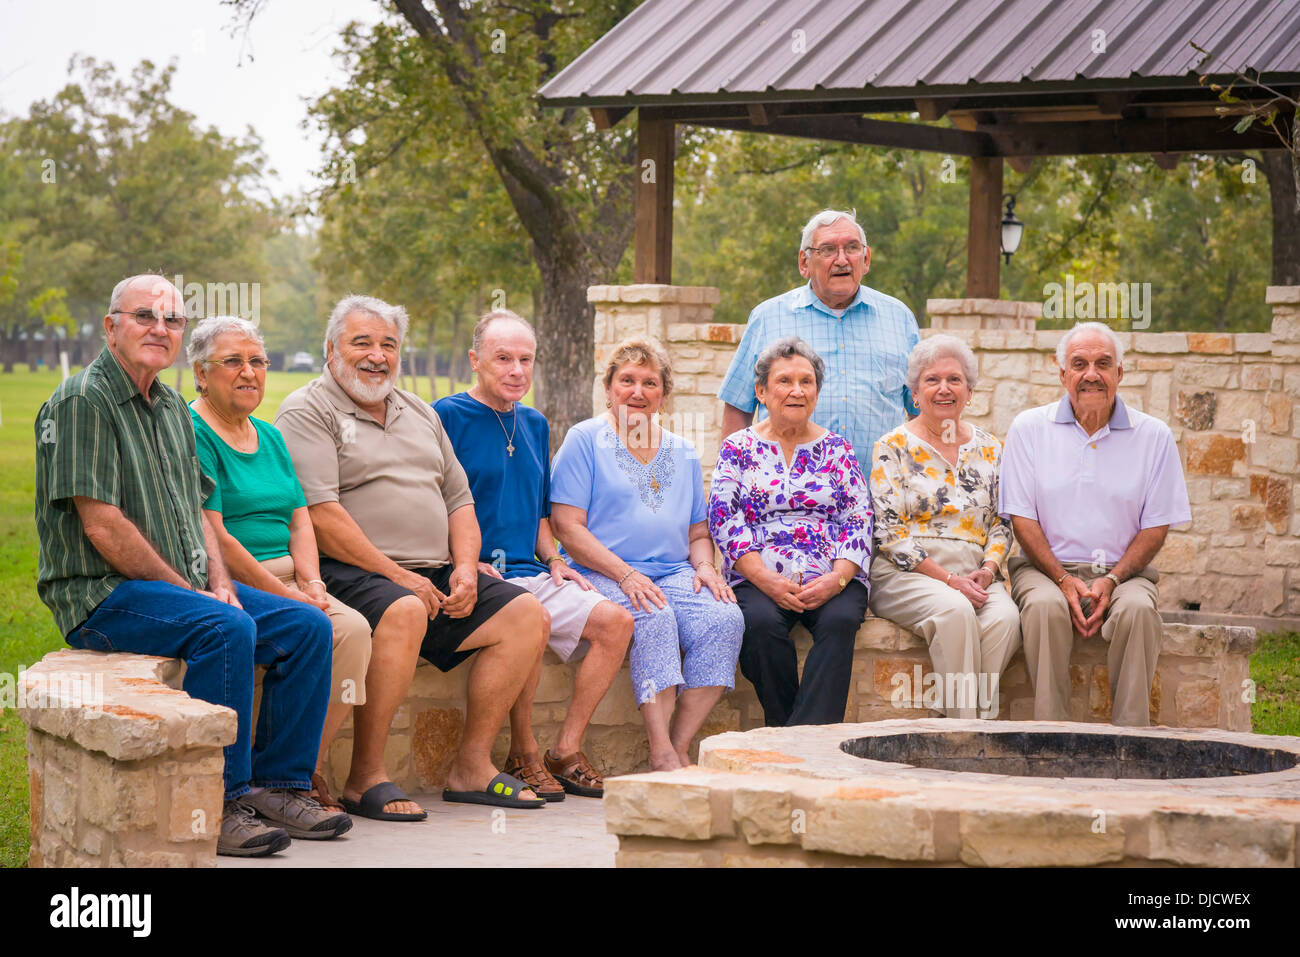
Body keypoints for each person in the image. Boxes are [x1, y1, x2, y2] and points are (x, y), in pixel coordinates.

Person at [34, 275, 346, 858]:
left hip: (181, 587)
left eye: (172, 320)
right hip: (102, 593)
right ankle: (223, 802)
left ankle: (280, 787)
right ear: (111, 327)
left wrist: (219, 582)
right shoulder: (82, 401)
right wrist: (197, 594)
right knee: (224, 626)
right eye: (144, 316)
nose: (159, 329)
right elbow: (102, 524)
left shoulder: (172, 405)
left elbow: (204, 507)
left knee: (307, 627)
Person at [275, 294, 549, 815]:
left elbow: (459, 501)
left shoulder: (419, 411)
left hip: (432, 570)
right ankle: (365, 777)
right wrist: (398, 575)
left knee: (525, 613)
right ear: (331, 349)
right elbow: (321, 514)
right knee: (402, 611)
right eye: (362, 343)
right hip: (350, 570)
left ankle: (471, 765)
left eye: (388, 345)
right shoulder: (309, 409)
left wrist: (466, 569)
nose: (377, 356)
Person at [434, 310, 633, 798]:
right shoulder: (445, 415)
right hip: (475, 571)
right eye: (503, 358)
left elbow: (541, 514)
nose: (516, 370)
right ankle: (522, 752)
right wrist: (461, 558)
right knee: (532, 620)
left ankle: (563, 750)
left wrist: (557, 559)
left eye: (525, 359)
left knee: (616, 623)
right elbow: (432, 501)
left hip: (531, 569)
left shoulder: (535, 423)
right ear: (475, 360)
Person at [187, 315, 372, 812]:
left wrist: (311, 580)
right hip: (237, 576)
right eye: (233, 362)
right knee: (313, 625)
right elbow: (216, 535)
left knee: (353, 630)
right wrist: (285, 590)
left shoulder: (268, 435)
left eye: (257, 361)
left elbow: (300, 519)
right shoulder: (193, 431)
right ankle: (274, 782)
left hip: (292, 575)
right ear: (201, 374)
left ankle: (300, 771)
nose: (249, 372)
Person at [550, 337, 744, 771]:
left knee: (725, 618)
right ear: (609, 388)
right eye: (627, 380)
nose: (637, 391)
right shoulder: (585, 440)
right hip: (601, 570)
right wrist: (624, 575)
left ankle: (678, 744)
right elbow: (567, 526)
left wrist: (706, 566)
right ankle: (660, 751)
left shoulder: (683, 451)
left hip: (674, 570)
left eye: (650, 383)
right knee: (654, 617)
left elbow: (698, 529)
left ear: (664, 395)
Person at [999, 321, 1191, 727]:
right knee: (1046, 610)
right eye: (1079, 363)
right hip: (1044, 570)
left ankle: (1131, 738)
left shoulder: (1153, 436)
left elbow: (1156, 526)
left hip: (1125, 572)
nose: (1091, 374)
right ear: (1062, 373)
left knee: (1139, 611)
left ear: (1119, 374)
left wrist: (1113, 580)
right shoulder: (1029, 429)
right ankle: (1051, 734)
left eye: (1103, 364)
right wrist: (1063, 579)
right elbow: (1022, 517)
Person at [709, 337, 872, 726]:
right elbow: (724, 517)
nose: (797, 391)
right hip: (756, 573)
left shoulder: (837, 449)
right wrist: (765, 579)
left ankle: (796, 738)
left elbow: (858, 515)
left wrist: (838, 578)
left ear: (817, 391)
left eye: (807, 381)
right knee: (760, 626)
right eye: (784, 381)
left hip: (830, 572)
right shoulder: (738, 448)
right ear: (761, 391)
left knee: (840, 621)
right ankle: (793, 731)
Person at [866, 334, 1020, 718]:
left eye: (954, 379)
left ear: (969, 391)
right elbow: (888, 531)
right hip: (907, 572)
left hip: (976, 571)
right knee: (955, 612)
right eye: (931, 380)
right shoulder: (892, 445)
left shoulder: (990, 448)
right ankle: (965, 731)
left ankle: (962, 719)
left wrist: (988, 570)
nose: (944, 388)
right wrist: (950, 580)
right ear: (915, 394)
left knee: (1006, 619)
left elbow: (1002, 522)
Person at [718, 209, 921, 457]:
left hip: (880, 492)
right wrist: (731, 481)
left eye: (852, 248)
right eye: (827, 250)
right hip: (785, 493)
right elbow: (738, 409)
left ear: (866, 259)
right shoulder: (767, 318)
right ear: (804, 263)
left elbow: (921, 411)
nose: (842, 260)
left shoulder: (899, 318)